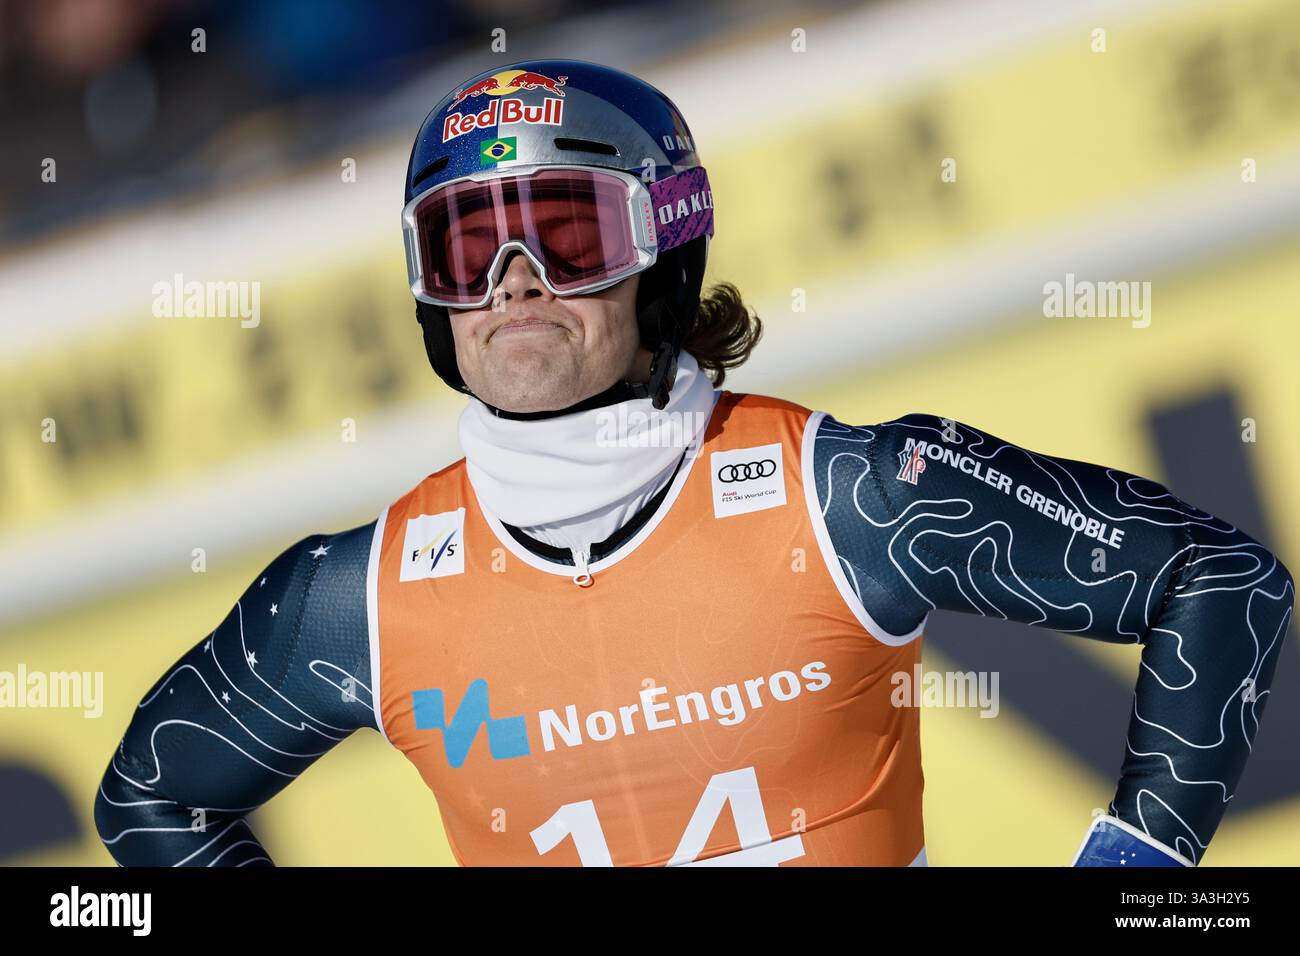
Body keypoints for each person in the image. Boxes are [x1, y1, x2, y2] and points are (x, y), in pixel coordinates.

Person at [95, 59, 1294, 867]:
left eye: (565, 232)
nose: (515, 280)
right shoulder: (349, 597)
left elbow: (1220, 578)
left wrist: (1138, 874)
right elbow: (150, 794)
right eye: (466, 247)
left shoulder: (856, 493)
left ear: (662, 254)